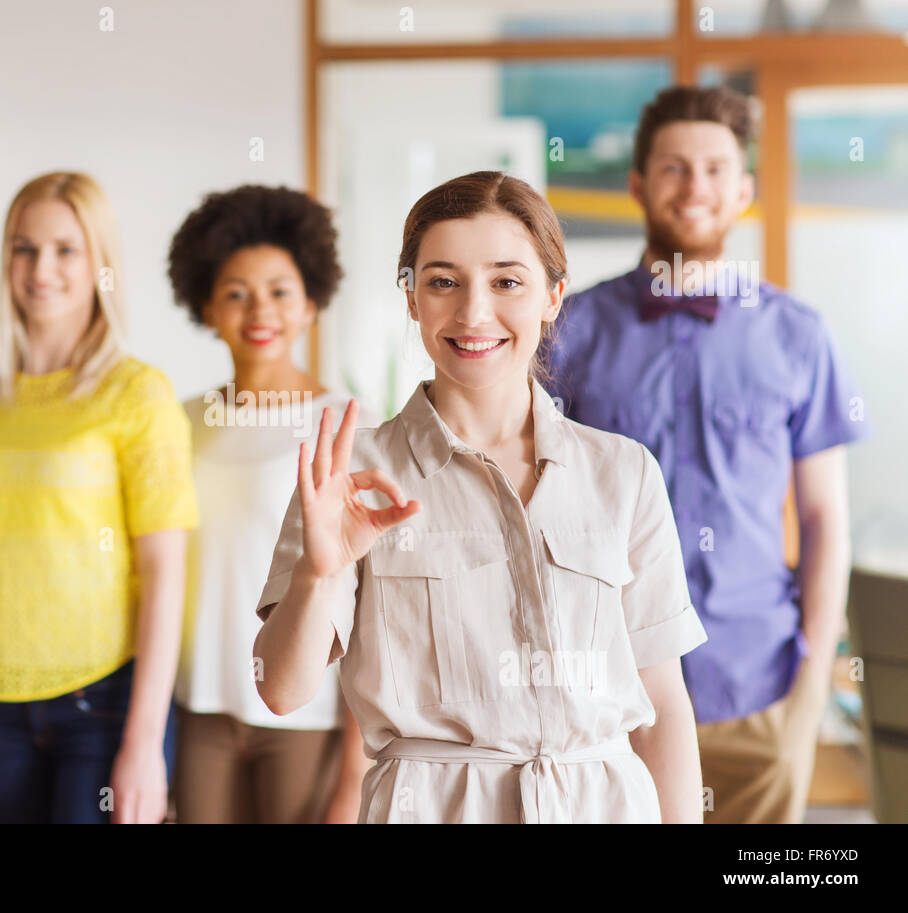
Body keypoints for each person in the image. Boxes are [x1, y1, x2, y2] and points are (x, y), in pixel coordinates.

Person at [253, 170, 709, 824]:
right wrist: (316, 574)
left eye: (506, 282)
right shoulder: (352, 475)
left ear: (553, 296)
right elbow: (281, 689)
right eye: (443, 281)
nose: (473, 313)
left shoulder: (623, 471)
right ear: (412, 298)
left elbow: (662, 701)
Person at [545, 86, 872, 824]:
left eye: (716, 169)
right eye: (674, 167)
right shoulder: (568, 331)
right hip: (607, 687)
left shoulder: (799, 334)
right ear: (637, 183)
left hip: (758, 685)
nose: (696, 187)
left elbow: (825, 518)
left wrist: (813, 675)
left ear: (744, 190)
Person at [0, 172, 197, 824]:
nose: (40, 269)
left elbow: (166, 570)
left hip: (105, 702)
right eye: (24, 248)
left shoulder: (136, 393)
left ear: (99, 263)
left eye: (65, 249)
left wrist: (144, 743)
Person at [167, 185, 373, 823]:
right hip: (202, 708)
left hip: (305, 716)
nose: (261, 310)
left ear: (310, 302)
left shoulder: (344, 424)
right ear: (206, 304)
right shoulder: (180, 422)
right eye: (236, 291)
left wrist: (352, 780)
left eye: (281, 291)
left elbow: (371, 610)